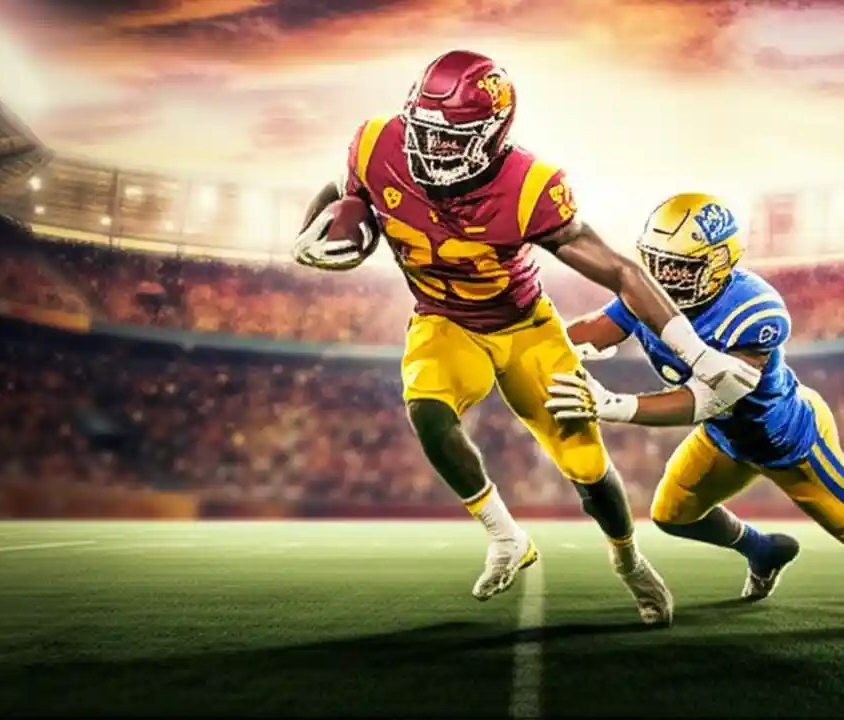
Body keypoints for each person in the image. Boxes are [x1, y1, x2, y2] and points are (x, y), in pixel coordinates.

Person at [292, 52, 761, 625]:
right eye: (424, 131)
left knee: (587, 466)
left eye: (451, 137)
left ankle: (629, 560)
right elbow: (350, 194)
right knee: (430, 415)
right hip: (443, 319)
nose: (431, 149)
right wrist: (317, 232)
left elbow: (621, 272)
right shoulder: (374, 142)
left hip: (525, 329)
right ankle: (506, 536)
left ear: (493, 134)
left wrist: (697, 354)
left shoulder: (529, 185)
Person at [549, 192, 844, 611]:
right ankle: (764, 550)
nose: (663, 277)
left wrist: (612, 405)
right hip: (726, 440)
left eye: (679, 268)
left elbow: (709, 398)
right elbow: (594, 332)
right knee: (672, 514)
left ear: (718, 262)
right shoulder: (646, 291)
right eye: (656, 263)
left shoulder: (754, 309)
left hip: (788, 440)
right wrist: (534, 343)